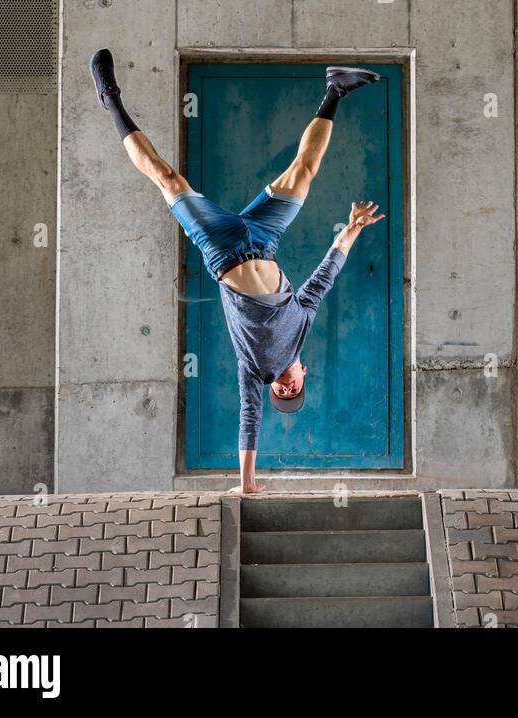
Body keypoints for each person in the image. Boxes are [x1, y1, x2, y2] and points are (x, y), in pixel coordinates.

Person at [89, 50, 385, 494]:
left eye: (282, 398)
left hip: (222, 249)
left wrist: (246, 485)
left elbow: (249, 421)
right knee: (303, 172)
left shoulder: (253, 368)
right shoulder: (302, 323)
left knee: (168, 179)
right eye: (295, 392)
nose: (286, 392)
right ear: (304, 374)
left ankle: (110, 100)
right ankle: (335, 90)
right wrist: (353, 229)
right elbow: (327, 273)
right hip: (264, 238)